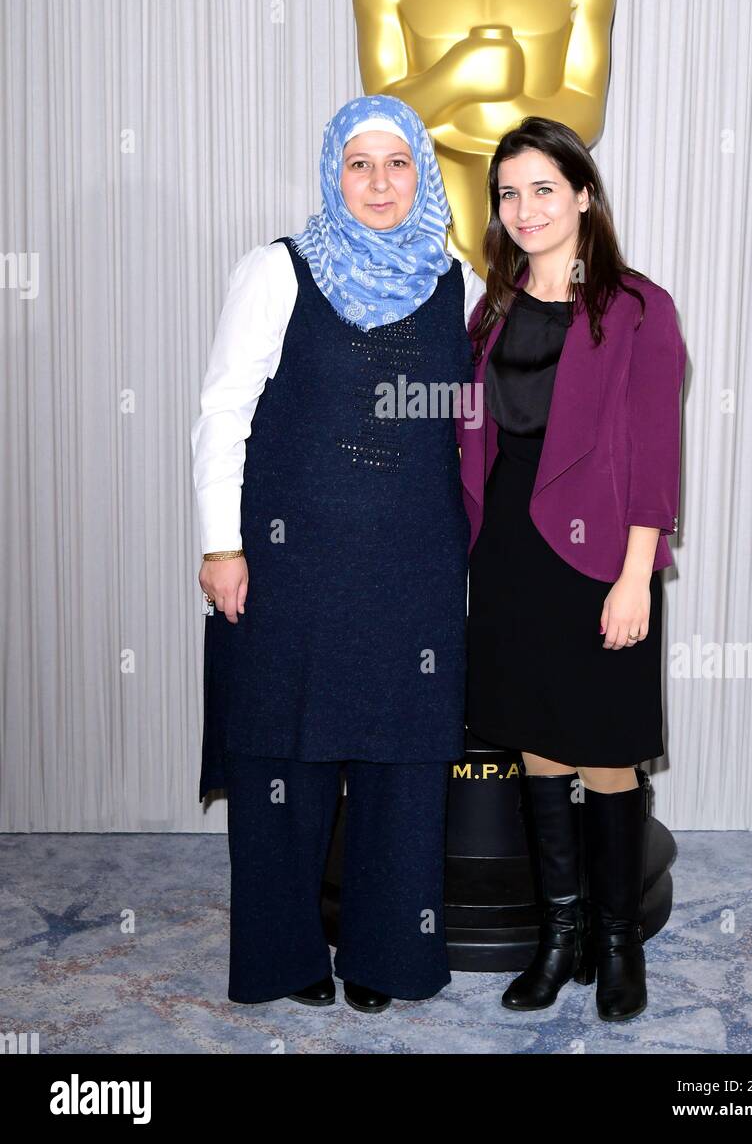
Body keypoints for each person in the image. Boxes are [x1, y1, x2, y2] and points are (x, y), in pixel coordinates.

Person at [191, 94, 485, 1011]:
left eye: (397, 163)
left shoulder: (456, 281)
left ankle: (385, 959)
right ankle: (285, 960)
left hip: (414, 572)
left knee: (404, 771)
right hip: (290, 568)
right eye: (359, 163)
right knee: (285, 762)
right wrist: (221, 545)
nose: (379, 182)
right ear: (332, 173)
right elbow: (221, 415)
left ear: (422, 175)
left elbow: (464, 423)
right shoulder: (278, 272)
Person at [459, 116, 688, 1021]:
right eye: (508, 193)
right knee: (538, 745)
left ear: (583, 194)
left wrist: (636, 575)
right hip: (510, 554)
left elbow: (653, 455)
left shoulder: (636, 306)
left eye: (542, 189)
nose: (523, 209)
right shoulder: (492, 308)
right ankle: (559, 940)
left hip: (601, 558)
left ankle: (615, 940)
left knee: (605, 751)